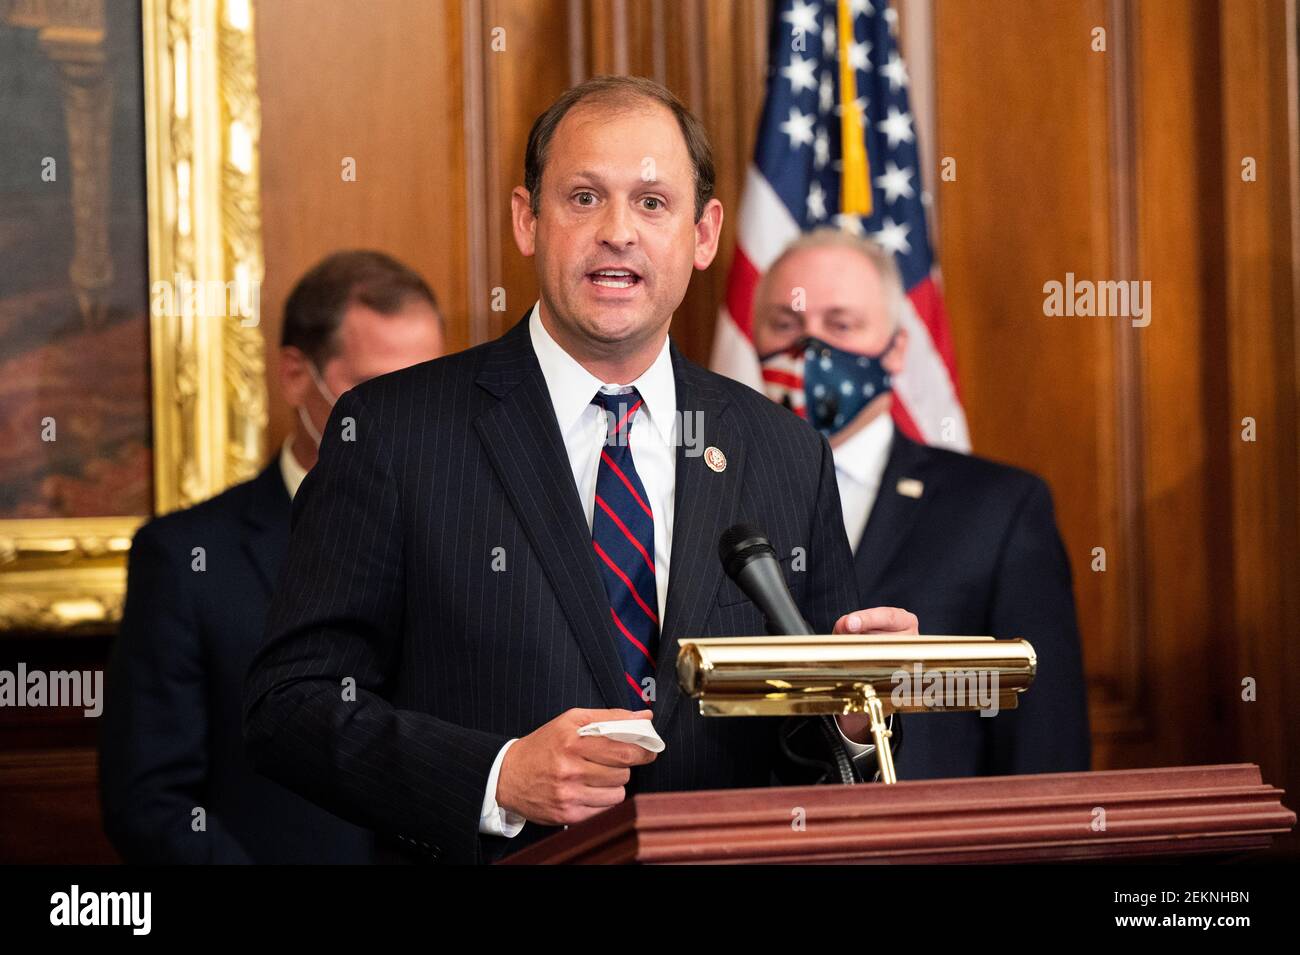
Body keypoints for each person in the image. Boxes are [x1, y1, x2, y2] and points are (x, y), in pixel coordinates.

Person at [243, 76, 919, 865]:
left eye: (652, 202)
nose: (618, 233)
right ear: (528, 220)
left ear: (704, 235)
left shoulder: (785, 452)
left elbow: (808, 753)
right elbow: (287, 706)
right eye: (585, 197)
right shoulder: (392, 433)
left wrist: (851, 712)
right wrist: (496, 777)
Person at [100, 250, 446, 862]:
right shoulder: (186, 560)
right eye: (374, 390)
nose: (404, 419)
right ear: (295, 376)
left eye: (424, 389)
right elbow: (151, 801)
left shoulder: (467, 535)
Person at [752, 227, 1091, 778]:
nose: (809, 347)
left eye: (841, 324)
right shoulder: (711, 491)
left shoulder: (999, 508)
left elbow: (1045, 742)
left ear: (898, 346)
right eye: (785, 324)